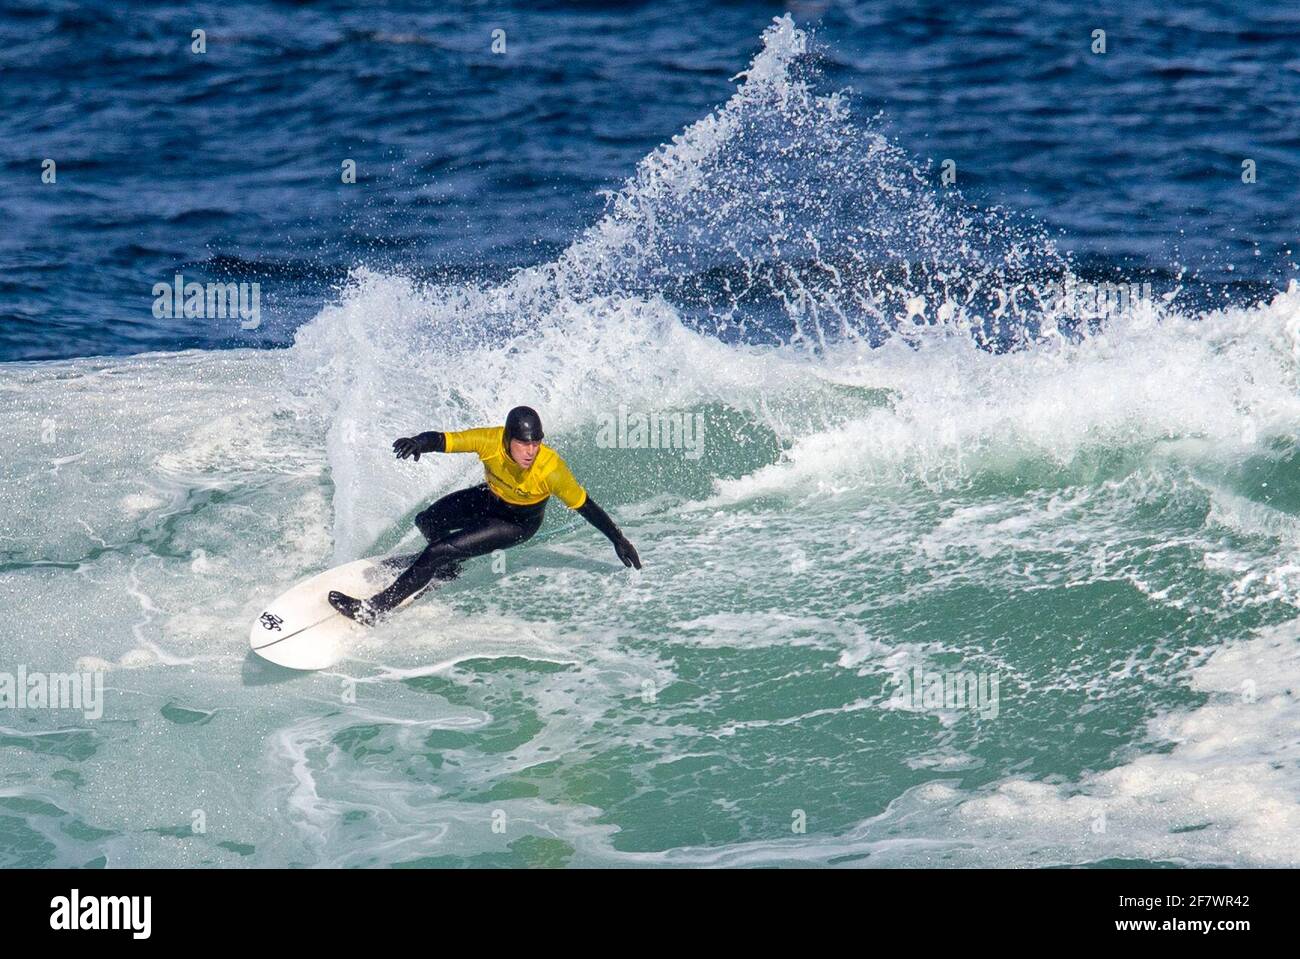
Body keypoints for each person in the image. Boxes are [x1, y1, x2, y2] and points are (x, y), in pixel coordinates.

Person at [328, 406, 641, 625]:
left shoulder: (551, 470)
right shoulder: (490, 441)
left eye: (536, 443)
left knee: (437, 550)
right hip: (491, 498)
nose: (531, 451)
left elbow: (586, 506)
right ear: (508, 439)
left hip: (516, 523)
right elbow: (444, 439)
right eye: (523, 443)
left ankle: (374, 610)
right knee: (428, 521)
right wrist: (418, 443)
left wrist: (618, 539)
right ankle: (446, 567)